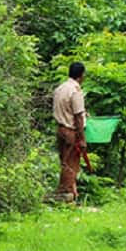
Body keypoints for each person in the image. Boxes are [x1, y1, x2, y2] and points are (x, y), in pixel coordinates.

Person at [52, 62, 87, 202]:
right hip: (70, 131)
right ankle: (64, 194)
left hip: (60, 128)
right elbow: (78, 116)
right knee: (71, 163)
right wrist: (82, 139)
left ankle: (68, 192)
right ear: (81, 75)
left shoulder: (60, 88)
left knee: (64, 161)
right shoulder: (75, 91)